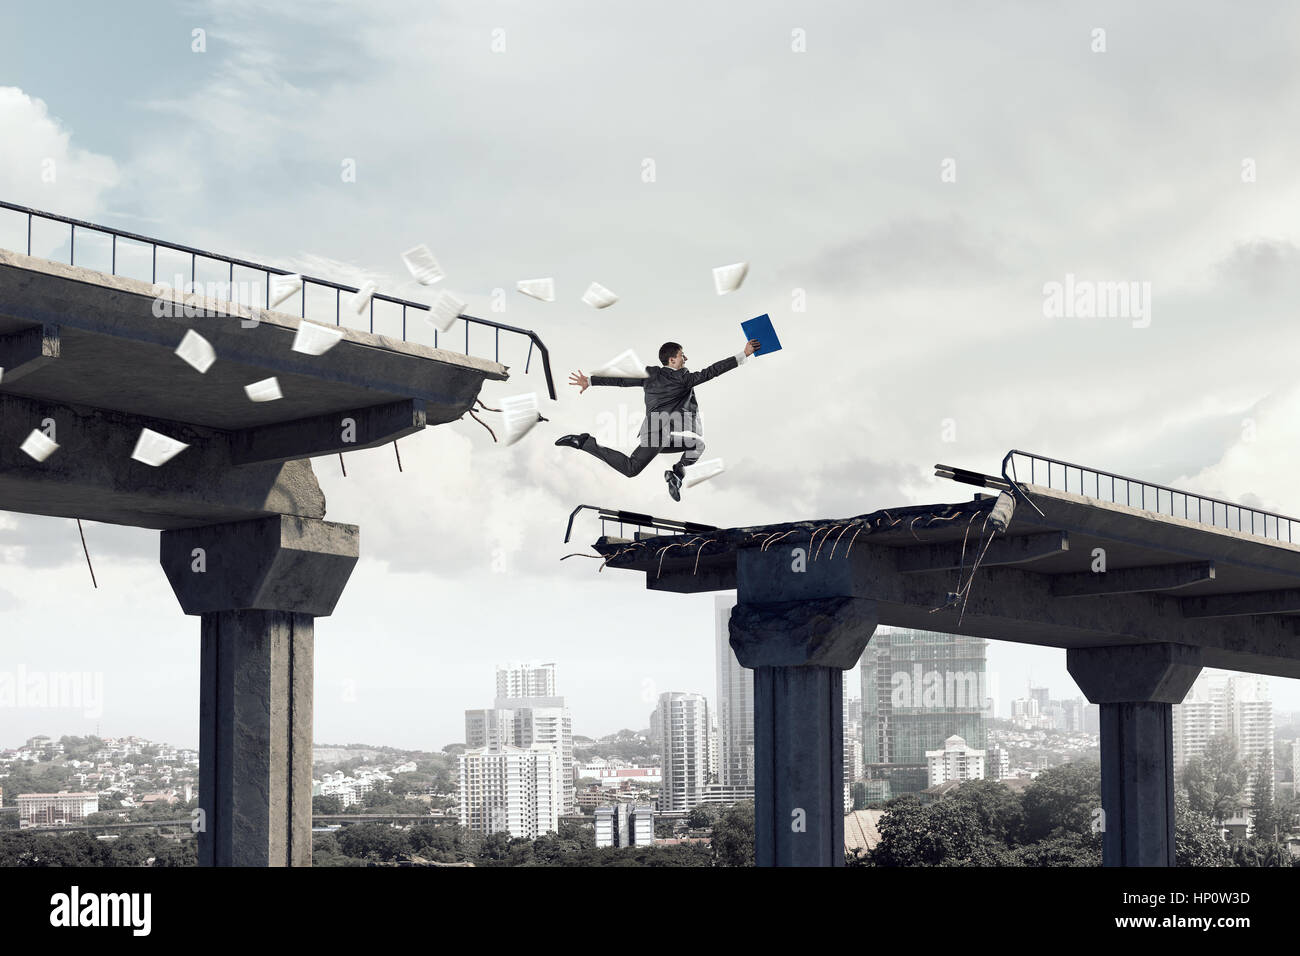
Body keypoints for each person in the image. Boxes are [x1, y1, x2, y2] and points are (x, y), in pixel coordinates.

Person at [556, 338, 759, 500]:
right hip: (657, 436)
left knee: (697, 445)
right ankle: (585, 442)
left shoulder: (651, 375)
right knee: (630, 468)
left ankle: (676, 475)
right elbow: (712, 372)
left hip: (661, 435)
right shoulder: (683, 379)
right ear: (672, 360)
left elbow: (622, 380)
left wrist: (591, 381)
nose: (685, 358)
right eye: (682, 356)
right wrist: (743, 354)